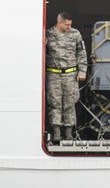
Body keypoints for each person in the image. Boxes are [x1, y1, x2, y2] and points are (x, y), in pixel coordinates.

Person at [45, 12, 87, 142]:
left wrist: (83, 71)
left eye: (70, 25)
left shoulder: (75, 34)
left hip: (70, 74)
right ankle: (56, 133)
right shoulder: (48, 34)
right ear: (59, 22)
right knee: (54, 103)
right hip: (53, 74)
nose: (69, 27)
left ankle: (69, 133)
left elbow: (81, 52)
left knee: (69, 103)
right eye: (66, 25)